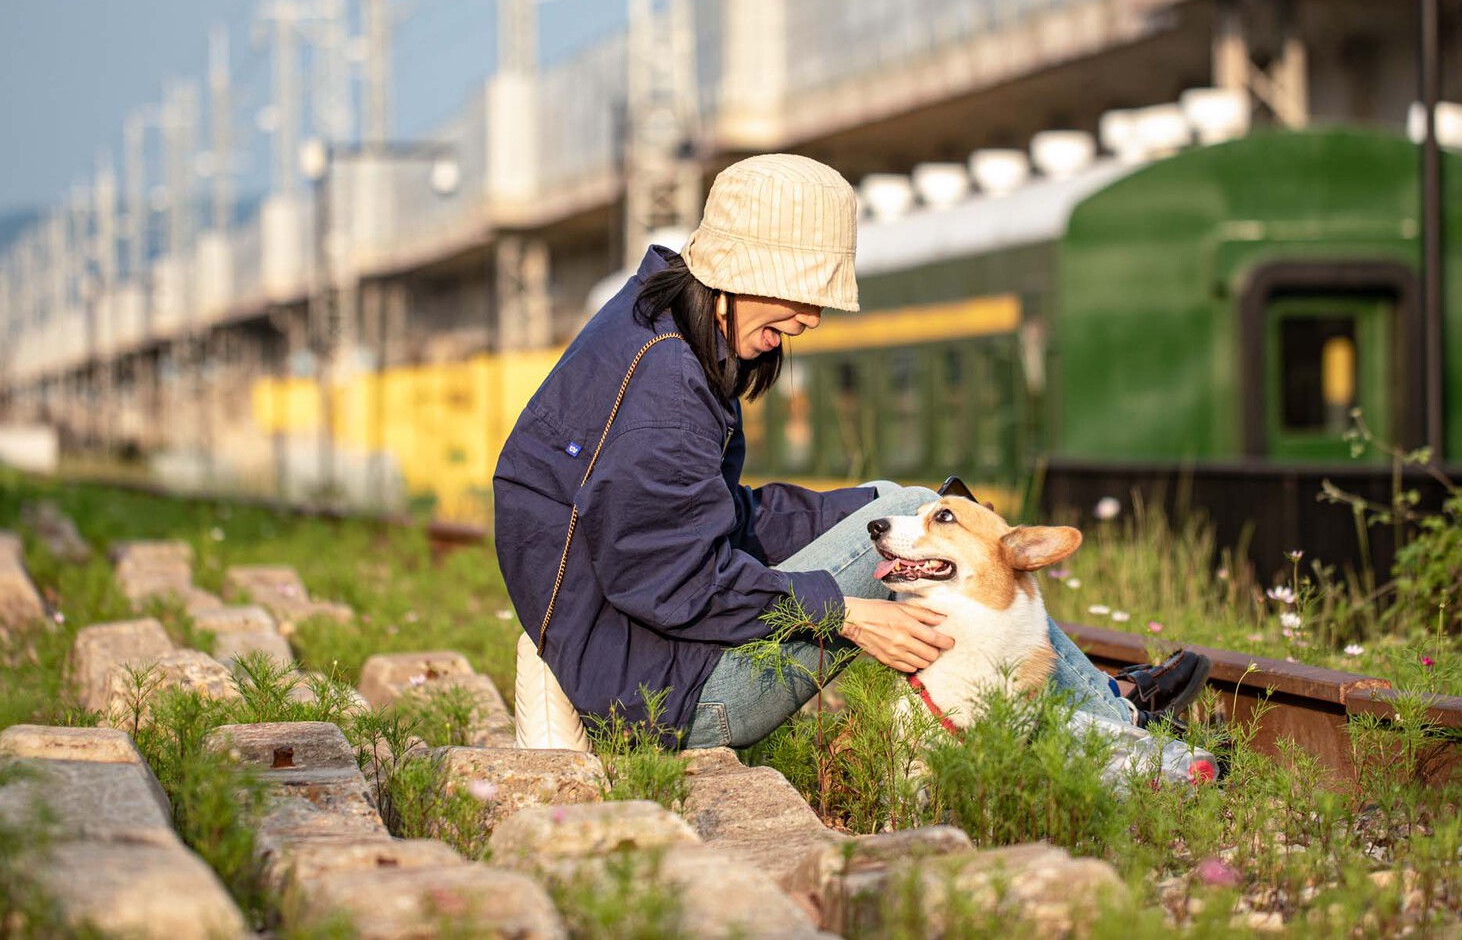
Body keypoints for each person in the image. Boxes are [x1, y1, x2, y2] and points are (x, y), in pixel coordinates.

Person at [494, 153, 1209, 751]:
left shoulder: (656, 330)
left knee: (900, 503)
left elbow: (711, 521)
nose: (808, 319)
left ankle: (1101, 699)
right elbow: (673, 579)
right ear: (738, 270)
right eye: (798, 294)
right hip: (670, 697)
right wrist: (848, 612)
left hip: (633, 654)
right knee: (919, 515)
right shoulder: (667, 392)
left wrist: (861, 505)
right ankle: (1116, 721)